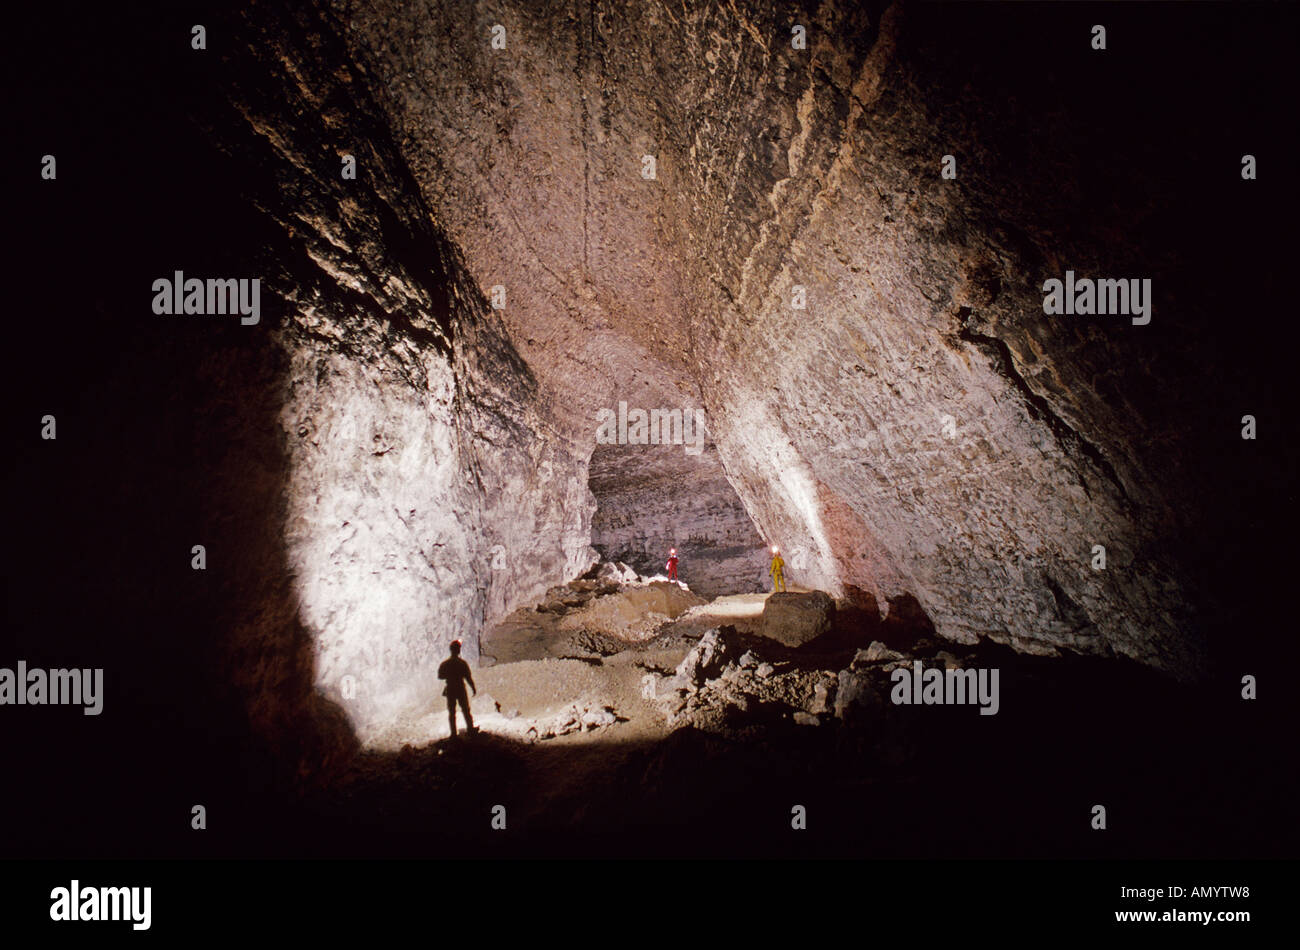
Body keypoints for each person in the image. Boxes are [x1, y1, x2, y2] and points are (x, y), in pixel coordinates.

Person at [437, 640, 476, 737]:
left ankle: (453, 733)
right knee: (466, 710)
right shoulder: (462, 663)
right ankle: (470, 729)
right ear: (458, 650)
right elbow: (468, 677)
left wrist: (449, 676)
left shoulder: (445, 664)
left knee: (451, 712)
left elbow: (440, 676)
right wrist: (473, 688)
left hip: (450, 688)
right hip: (460, 688)